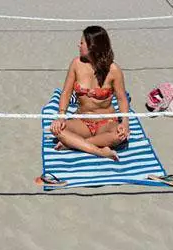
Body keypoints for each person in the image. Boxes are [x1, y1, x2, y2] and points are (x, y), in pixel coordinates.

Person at [49, 26, 129, 161]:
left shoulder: (114, 70)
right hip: (81, 121)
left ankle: (73, 143)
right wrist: (61, 116)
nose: (78, 45)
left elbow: (122, 99)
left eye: (81, 43)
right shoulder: (76, 64)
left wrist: (125, 122)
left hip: (106, 122)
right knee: (56, 129)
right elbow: (66, 93)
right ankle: (100, 151)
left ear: (92, 47)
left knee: (119, 136)